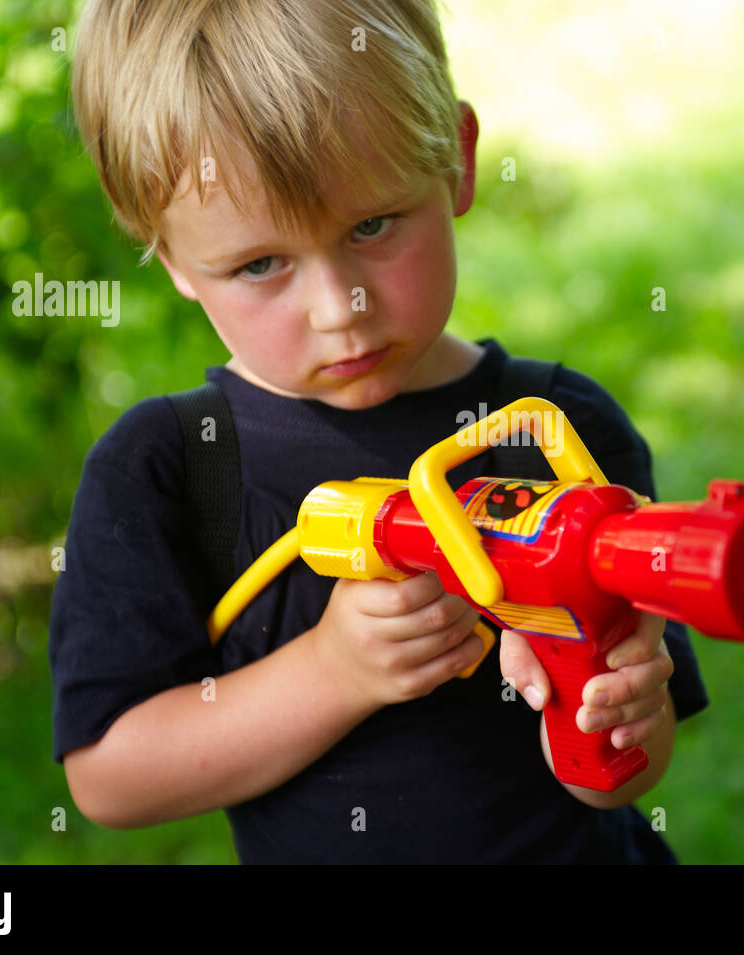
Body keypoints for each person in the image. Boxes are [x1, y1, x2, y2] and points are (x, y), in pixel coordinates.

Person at [50, 0, 710, 863]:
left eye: (373, 226)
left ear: (457, 161)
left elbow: (617, 775)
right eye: (259, 265)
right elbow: (110, 775)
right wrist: (334, 672)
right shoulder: (172, 471)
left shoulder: (559, 434)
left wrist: (617, 709)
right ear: (171, 254)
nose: (340, 310)